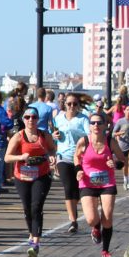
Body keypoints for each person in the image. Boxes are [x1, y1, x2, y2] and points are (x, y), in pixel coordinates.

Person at [6, 106, 57, 257]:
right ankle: (31, 232)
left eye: (34, 117)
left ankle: (35, 243)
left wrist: (51, 156)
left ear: (38, 119)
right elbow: (7, 157)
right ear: (23, 119)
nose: (31, 120)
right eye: (27, 117)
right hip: (22, 176)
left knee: (36, 206)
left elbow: (52, 149)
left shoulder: (44, 135)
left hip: (41, 175)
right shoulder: (18, 136)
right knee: (27, 208)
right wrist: (21, 157)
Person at [75, 112, 120, 257]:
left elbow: (122, 159)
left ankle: (105, 251)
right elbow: (76, 157)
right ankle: (95, 226)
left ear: (105, 125)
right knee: (91, 219)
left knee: (107, 217)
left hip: (107, 183)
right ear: (89, 126)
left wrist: (115, 162)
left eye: (99, 123)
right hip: (87, 182)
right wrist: (78, 170)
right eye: (93, 123)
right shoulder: (84, 141)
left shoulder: (110, 141)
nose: (96, 125)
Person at [52, 94, 87, 235]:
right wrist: (54, 136)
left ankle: (74, 204)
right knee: (68, 187)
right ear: (65, 104)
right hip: (63, 156)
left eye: (75, 104)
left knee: (78, 189)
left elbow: (88, 135)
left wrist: (75, 132)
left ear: (78, 105)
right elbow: (52, 134)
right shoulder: (58, 118)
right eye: (69, 104)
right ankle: (73, 221)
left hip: (79, 157)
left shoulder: (83, 119)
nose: (72, 106)